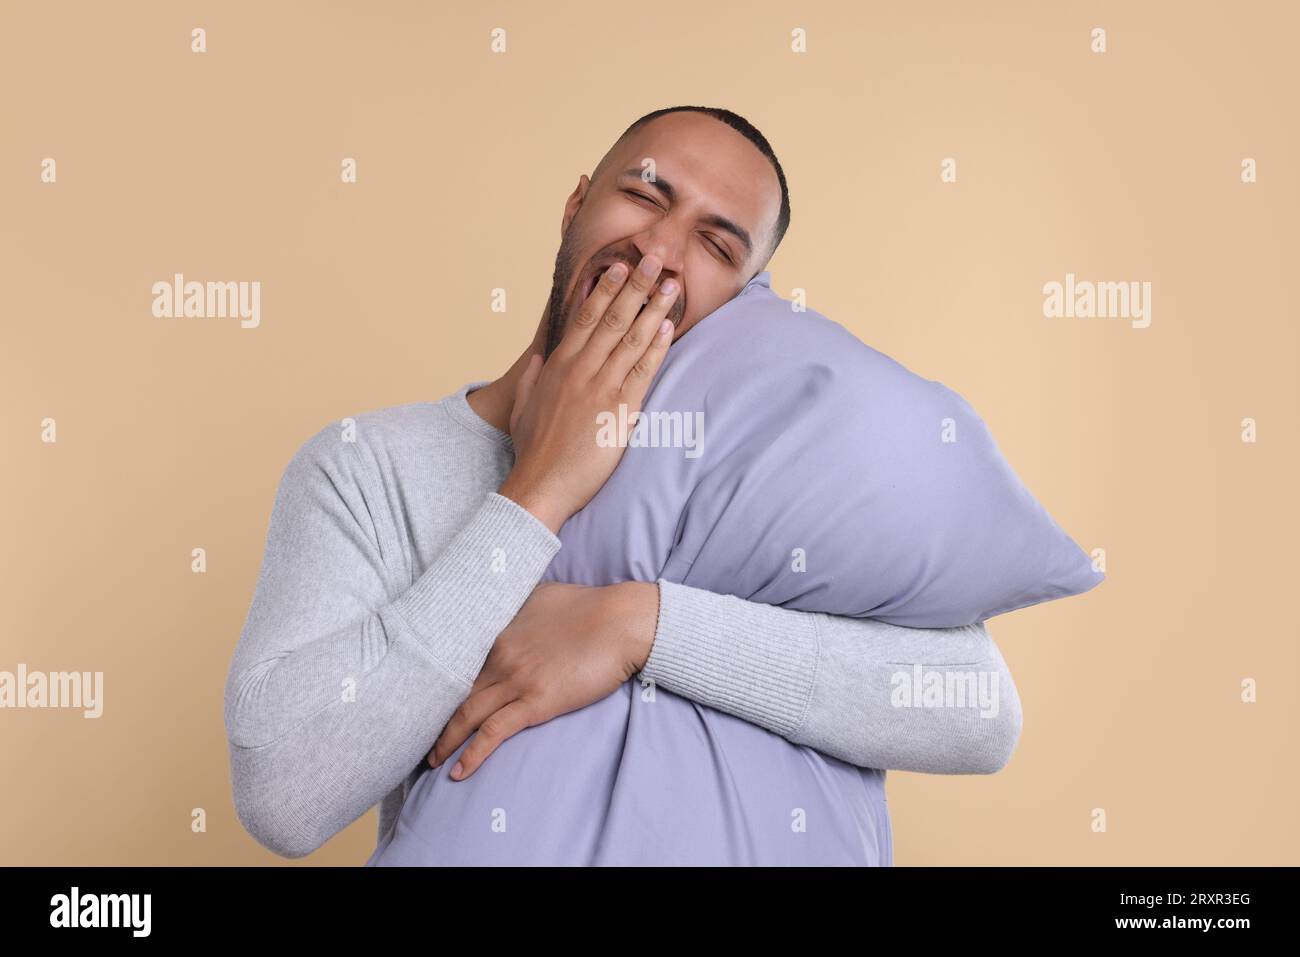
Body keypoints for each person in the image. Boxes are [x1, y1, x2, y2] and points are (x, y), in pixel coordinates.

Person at [223, 105, 1022, 863]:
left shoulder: (767, 470)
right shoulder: (369, 465)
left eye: (716, 244)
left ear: (746, 300)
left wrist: (637, 626)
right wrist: (537, 493)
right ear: (575, 205)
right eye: (643, 194)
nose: (660, 252)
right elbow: (286, 796)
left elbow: (977, 711)